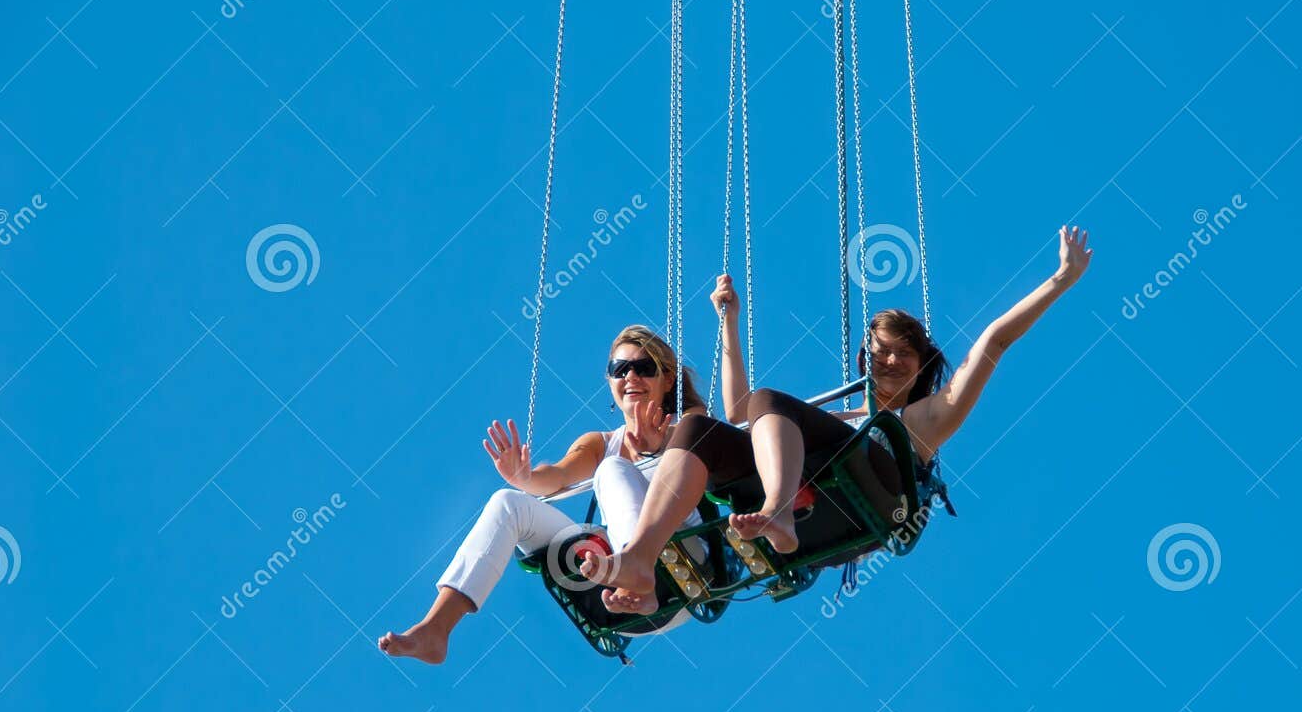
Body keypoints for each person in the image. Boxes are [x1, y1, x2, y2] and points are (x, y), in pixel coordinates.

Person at [583, 225, 1095, 614]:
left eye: (903, 354)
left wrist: (1061, 279)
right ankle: (642, 562)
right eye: (879, 353)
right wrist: (729, 324)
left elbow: (995, 341)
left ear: (922, 364)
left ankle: (779, 509)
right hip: (810, 513)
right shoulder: (833, 417)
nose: (890, 362)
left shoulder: (927, 419)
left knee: (771, 404)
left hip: (871, 499)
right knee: (698, 429)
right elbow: (740, 414)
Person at [378, 325, 707, 664]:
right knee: (508, 503)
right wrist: (525, 477)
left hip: (683, 564)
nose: (631, 377)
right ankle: (436, 629)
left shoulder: (690, 425)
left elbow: (710, 445)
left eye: (644, 368)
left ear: (668, 379)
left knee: (612, 470)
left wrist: (659, 446)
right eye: (620, 369)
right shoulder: (601, 443)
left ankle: (638, 573)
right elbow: (559, 476)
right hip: (615, 597)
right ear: (610, 381)